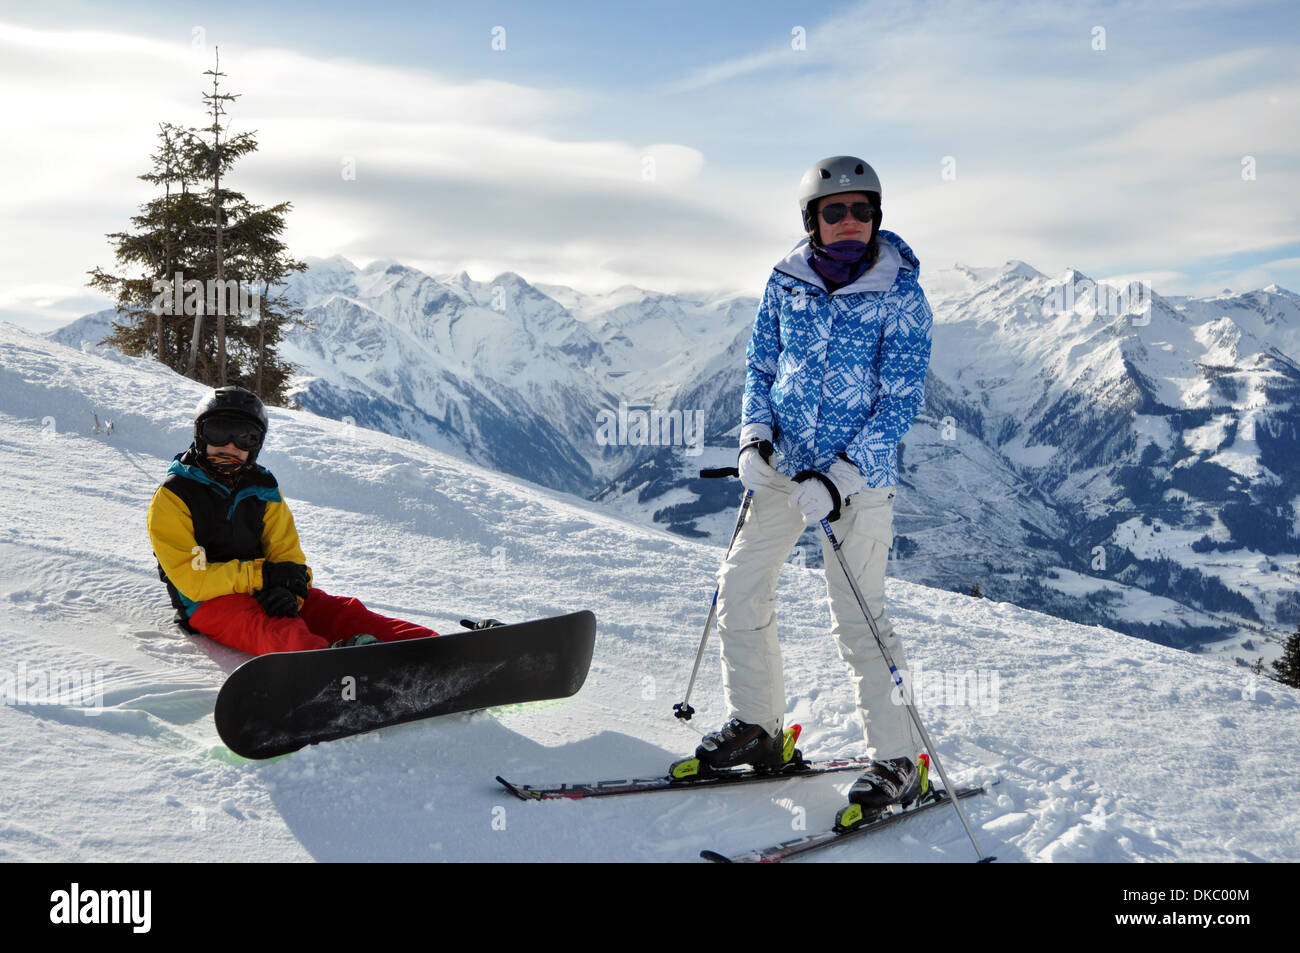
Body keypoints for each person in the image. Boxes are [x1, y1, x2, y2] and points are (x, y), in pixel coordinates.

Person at [694, 155, 935, 811]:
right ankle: (759, 727)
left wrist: (842, 475)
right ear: (813, 220)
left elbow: (900, 401)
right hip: (782, 468)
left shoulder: (902, 293)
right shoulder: (786, 282)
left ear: (876, 216)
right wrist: (753, 437)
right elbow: (760, 368)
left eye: (862, 209)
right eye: (835, 210)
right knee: (740, 588)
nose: (850, 219)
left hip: (858, 481)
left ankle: (899, 760)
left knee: (859, 619)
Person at [147, 385, 440, 654]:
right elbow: (193, 581)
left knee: (343, 613)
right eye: (219, 432)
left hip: (263, 587)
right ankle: (336, 667)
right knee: (280, 632)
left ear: (255, 446)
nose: (231, 446)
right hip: (206, 603)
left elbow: (288, 558)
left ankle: (435, 649)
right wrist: (264, 577)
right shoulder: (174, 497)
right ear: (200, 436)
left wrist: (289, 590)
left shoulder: (262, 489)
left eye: (245, 437)